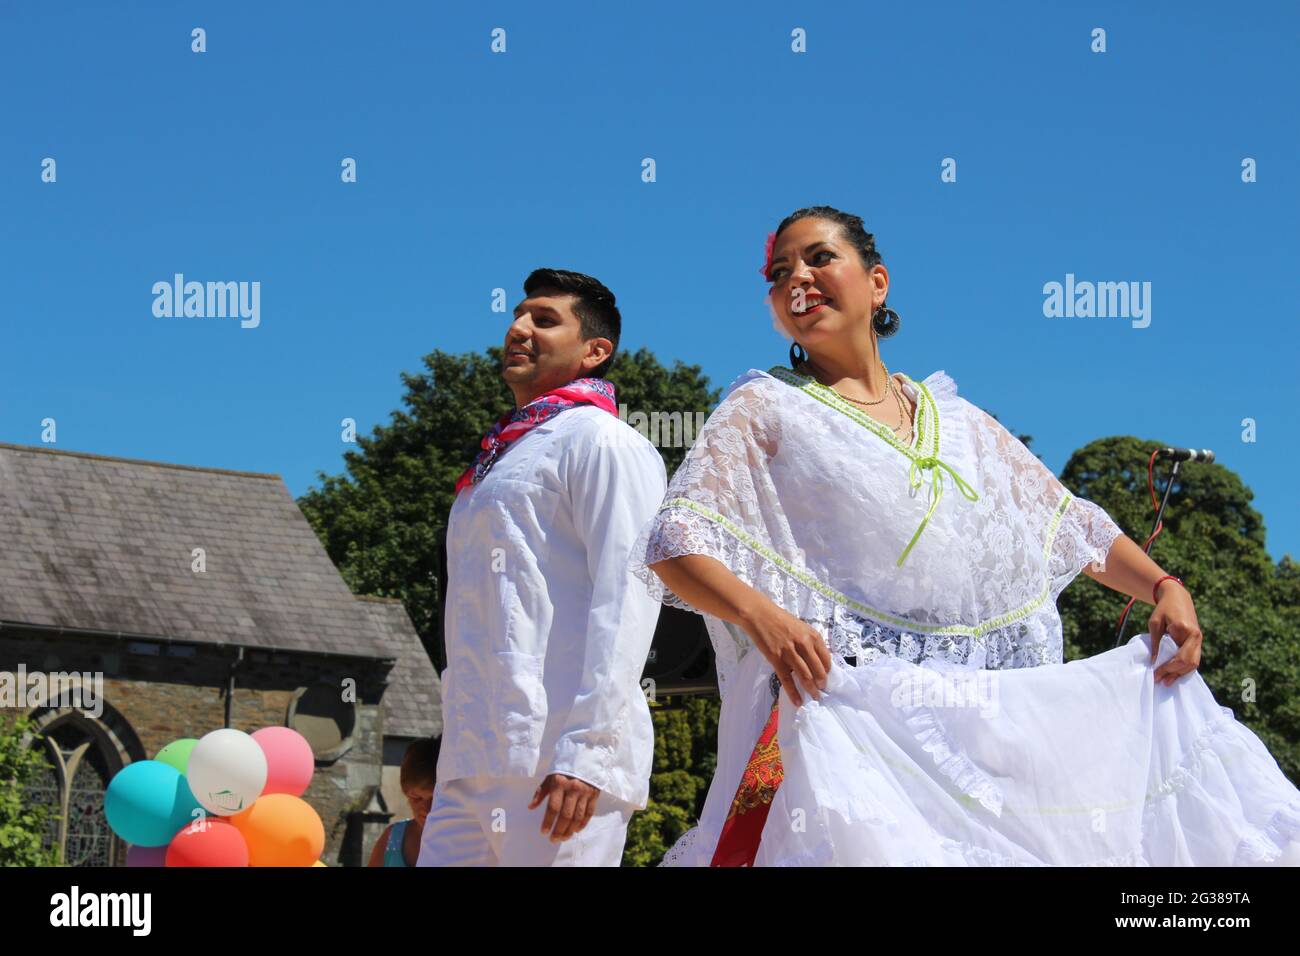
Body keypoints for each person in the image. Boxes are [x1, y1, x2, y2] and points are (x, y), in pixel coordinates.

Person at [631, 205, 1300, 866]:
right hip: (843, 724)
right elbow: (675, 540)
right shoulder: (765, 407)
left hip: (965, 730)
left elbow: (1070, 523)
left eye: (819, 257)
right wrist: (764, 616)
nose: (797, 277)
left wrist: (1163, 585)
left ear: (877, 283)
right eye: (779, 271)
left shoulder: (960, 424)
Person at [417, 268, 667, 867]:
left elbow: (630, 593)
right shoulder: (492, 463)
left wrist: (587, 753)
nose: (519, 329)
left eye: (544, 320)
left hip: (558, 760)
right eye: (518, 316)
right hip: (472, 760)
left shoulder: (605, 442)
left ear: (595, 352)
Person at [368, 736, 439, 867]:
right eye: (416, 798)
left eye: (434, 798)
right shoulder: (392, 837)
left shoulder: (469, 838)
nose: (426, 808)